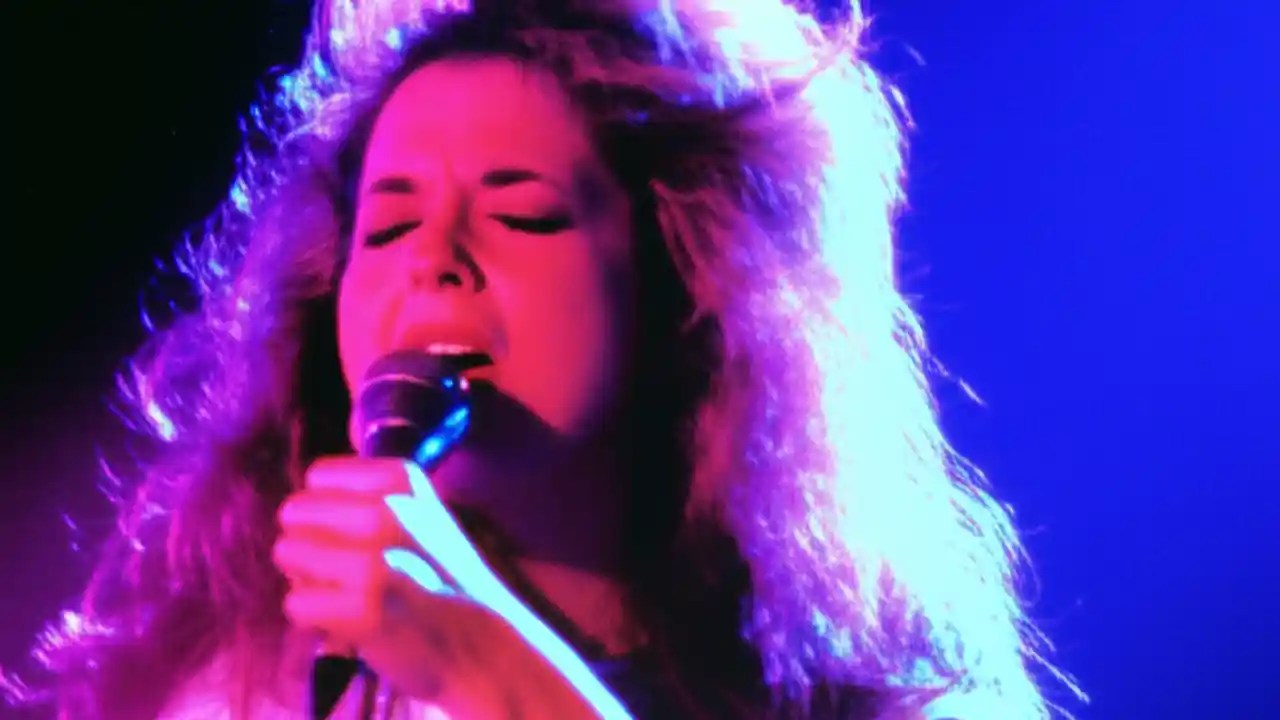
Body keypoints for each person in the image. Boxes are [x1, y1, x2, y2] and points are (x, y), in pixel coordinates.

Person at [11, 0, 1081, 718]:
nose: (433, 262)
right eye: (384, 230)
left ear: (683, 288)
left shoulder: (888, 692)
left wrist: (486, 662)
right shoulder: (236, 684)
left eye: (519, 217)